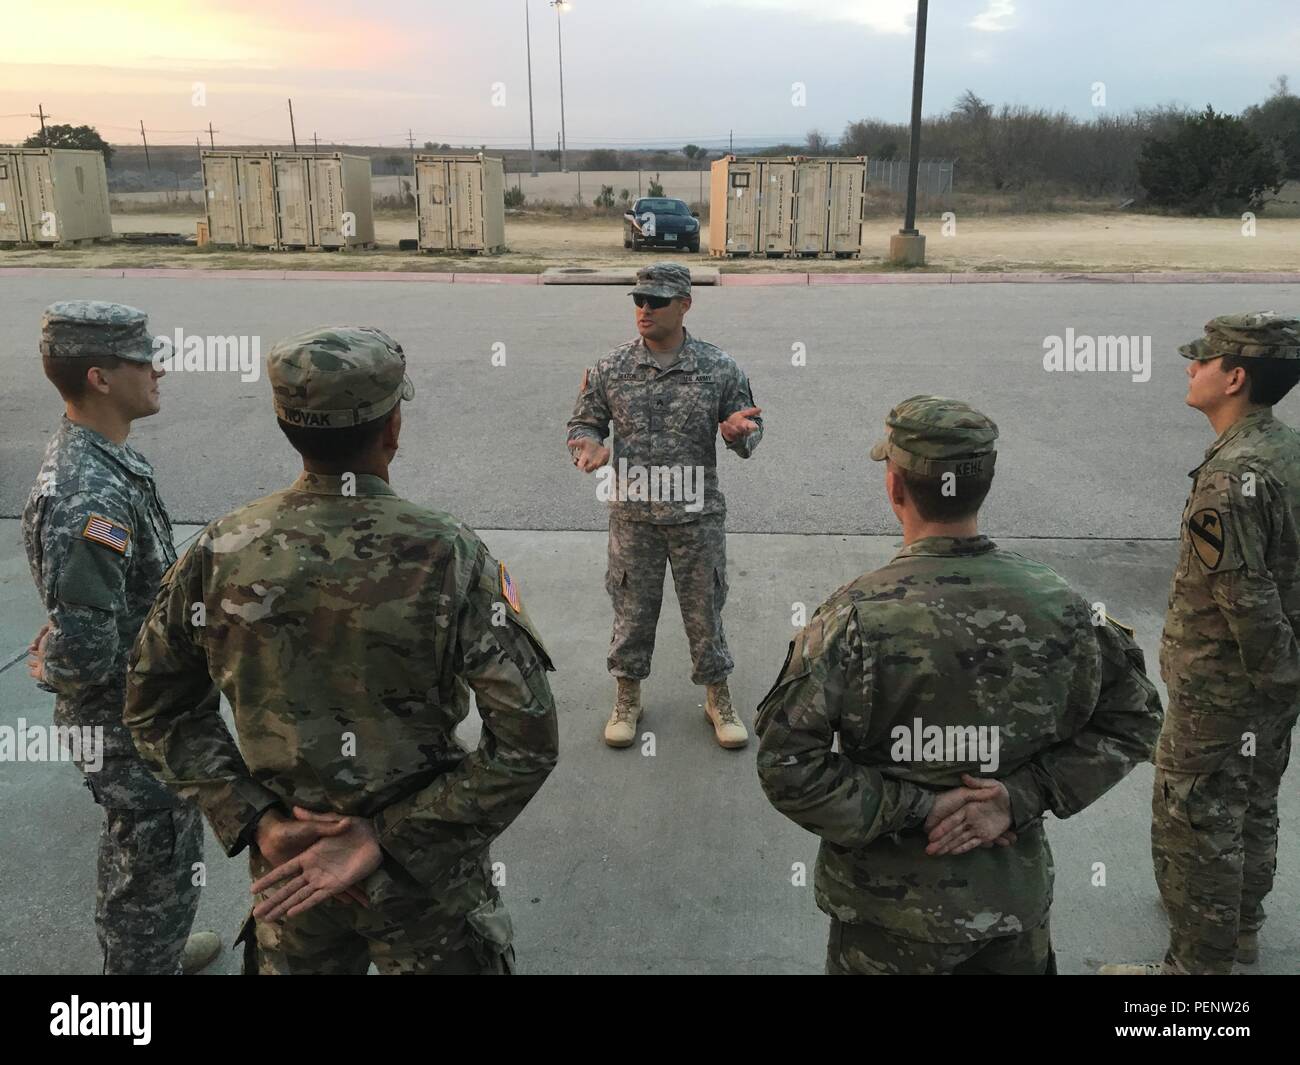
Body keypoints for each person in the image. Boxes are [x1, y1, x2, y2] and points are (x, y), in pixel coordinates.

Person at [124, 325, 560, 974]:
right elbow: (527, 740)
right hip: (425, 885)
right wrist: (387, 835)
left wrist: (261, 821)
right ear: (393, 429)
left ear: (287, 426)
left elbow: (156, 709)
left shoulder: (220, 550)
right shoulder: (446, 554)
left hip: (292, 872)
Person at [756, 395, 1163, 974]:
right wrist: (1018, 798)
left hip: (886, 924)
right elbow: (1136, 717)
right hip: (1009, 910)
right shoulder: (1065, 608)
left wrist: (919, 807)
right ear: (983, 486)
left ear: (895, 487)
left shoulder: (853, 618)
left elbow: (786, 764)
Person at [21, 300, 220, 975]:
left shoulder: (103, 460)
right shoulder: (88, 492)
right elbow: (82, 651)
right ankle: (136, 977)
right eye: (143, 359)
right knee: (153, 854)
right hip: (122, 719)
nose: (158, 368)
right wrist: (52, 661)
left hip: (141, 704)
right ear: (101, 376)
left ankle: (150, 952)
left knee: (149, 850)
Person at [1103, 313, 1300, 975]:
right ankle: (1238, 928)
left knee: (1196, 818)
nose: (1191, 369)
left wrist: (1272, 677)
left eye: (1203, 361)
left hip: (1226, 683)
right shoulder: (1286, 451)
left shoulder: (1229, 479)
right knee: (1252, 799)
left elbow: (1245, 596)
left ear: (1235, 377)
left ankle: (1195, 971)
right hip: (1273, 682)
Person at [567, 262, 762, 748]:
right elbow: (584, 422)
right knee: (631, 609)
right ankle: (627, 696)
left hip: (697, 515)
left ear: (684, 305)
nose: (645, 309)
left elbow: (751, 429)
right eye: (639, 300)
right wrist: (587, 445)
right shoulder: (611, 367)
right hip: (634, 518)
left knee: (706, 610)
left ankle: (717, 697)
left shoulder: (718, 367)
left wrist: (741, 434)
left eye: (656, 301)